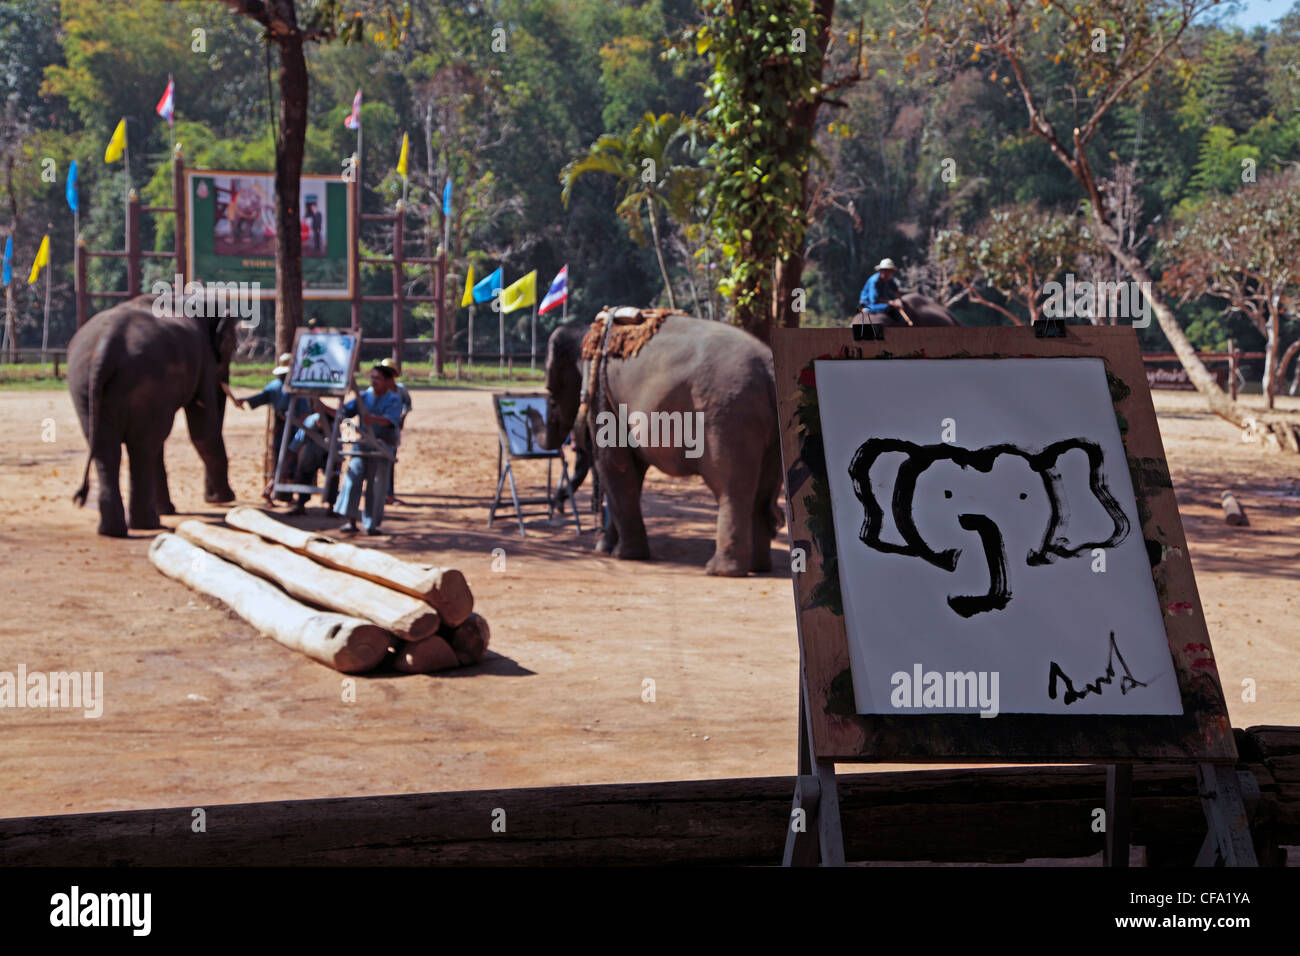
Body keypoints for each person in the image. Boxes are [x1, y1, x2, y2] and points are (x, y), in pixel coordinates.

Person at [333, 363, 403, 535]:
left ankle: (370, 525)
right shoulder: (362, 397)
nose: (373, 381)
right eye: (372, 377)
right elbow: (344, 413)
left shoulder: (394, 399)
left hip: (382, 447)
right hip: (362, 445)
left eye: (377, 378)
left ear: (387, 381)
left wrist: (372, 419)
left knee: (375, 486)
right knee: (352, 479)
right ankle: (350, 521)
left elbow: (390, 420)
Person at [238, 352, 310, 505]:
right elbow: (304, 412)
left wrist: (244, 400)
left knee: (282, 460)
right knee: (288, 461)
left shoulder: (273, 386)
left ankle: (282, 494)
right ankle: (270, 490)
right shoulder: (295, 389)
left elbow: (259, 398)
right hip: (293, 429)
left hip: (280, 428)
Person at [376, 359, 412, 505]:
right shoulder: (374, 391)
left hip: (392, 433)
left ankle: (389, 494)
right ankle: (376, 494)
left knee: (389, 462)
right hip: (377, 432)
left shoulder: (400, 390)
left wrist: (402, 417)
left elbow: (407, 405)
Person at [859, 257, 905, 325]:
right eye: (885, 270)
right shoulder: (874, 281)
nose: (887, 273)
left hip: (881, 302)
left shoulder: (890, 279)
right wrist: (890, 302)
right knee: (889, 309)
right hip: (869, 304)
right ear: (881, 271)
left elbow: (896, 291)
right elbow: (874, 300)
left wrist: (900, 301)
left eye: (890, 271)